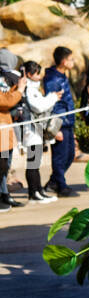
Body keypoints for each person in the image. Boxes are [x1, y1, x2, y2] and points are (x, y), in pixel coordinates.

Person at [21, 61, 62, 202]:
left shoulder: (34, 89)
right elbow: (38, 107)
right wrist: (53, 98)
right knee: (33, 163)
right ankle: (34, 193)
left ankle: (38, 191)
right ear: (28, 74)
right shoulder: (28, 90)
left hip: (37, 129)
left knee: (36, 163)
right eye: (36, 73)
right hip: (31, 130)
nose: (39, 76)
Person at [43, 46, 76, 197]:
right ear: (63, 61)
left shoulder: (63, 76)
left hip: (68, 121)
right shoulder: (53, 79)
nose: (73, 62)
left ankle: (53, 182)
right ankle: (61, 185)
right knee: (60, 155)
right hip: (60, 123)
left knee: (69, 155)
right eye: (70, 59)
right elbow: (53, 105)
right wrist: (55, 128)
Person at [0, 66, 25, 211]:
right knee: (2, 165)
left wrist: (17, 86)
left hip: (5, 131)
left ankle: (4, 194)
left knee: (5, 165)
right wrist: (20, 90)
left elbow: (6, 98)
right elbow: (5, 102)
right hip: (2, 132)